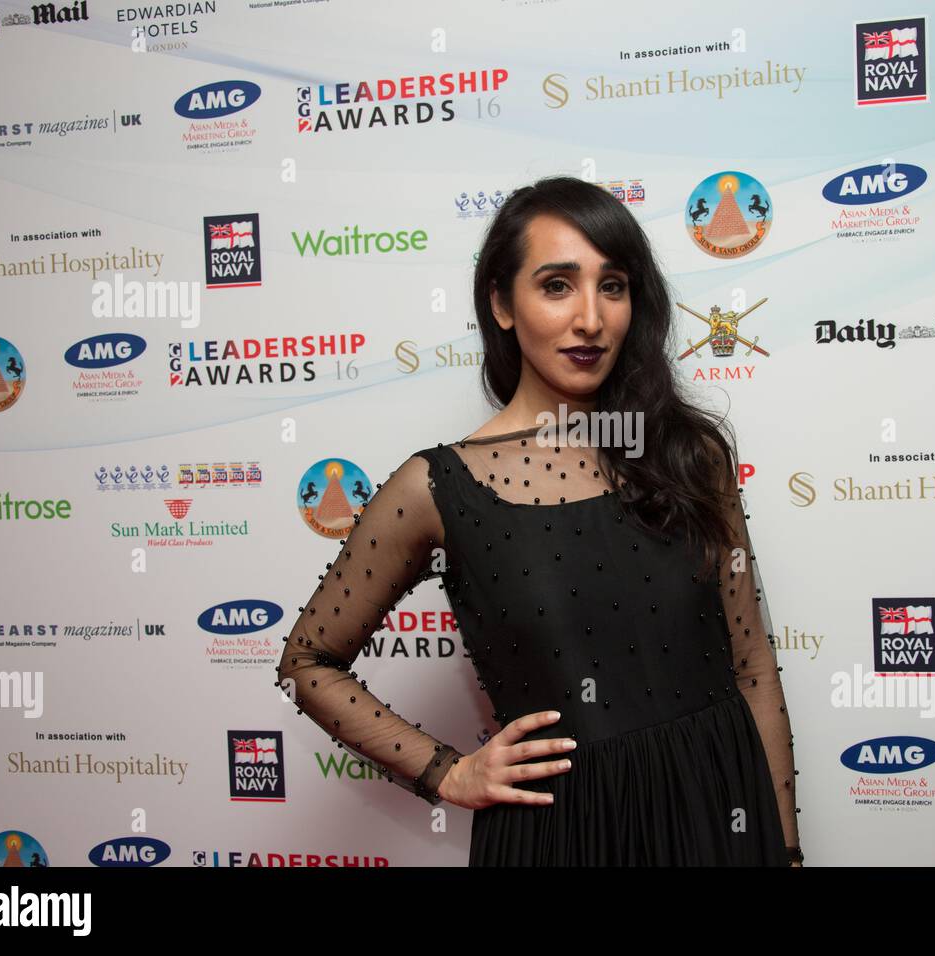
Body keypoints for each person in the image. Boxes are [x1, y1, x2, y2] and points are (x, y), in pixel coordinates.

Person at [275, 175, 802, 866]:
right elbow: (308, 661)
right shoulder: (436, 488)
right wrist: (447, 770)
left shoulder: (687, 454)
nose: (591, 318)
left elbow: (753, 668)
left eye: (612, 286)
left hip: (715, 815)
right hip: (563, 836)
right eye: (557, 285)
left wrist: (786, 851)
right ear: (501, 302)